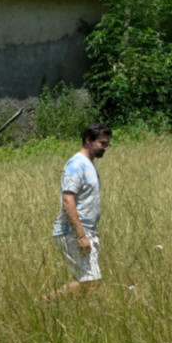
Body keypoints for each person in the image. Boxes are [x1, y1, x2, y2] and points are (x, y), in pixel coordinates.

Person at [43, 123, 111, 300]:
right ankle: (40, 304)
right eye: (102, 143)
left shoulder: (89, 165)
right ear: (88, 140)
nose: (105, 148)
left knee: (89, 284)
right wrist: (81, 235)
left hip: (86, 231)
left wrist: (93, 237)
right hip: (71, 231)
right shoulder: (76, 164)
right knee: (90, 282)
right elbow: (68, 200)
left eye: (107, 144)